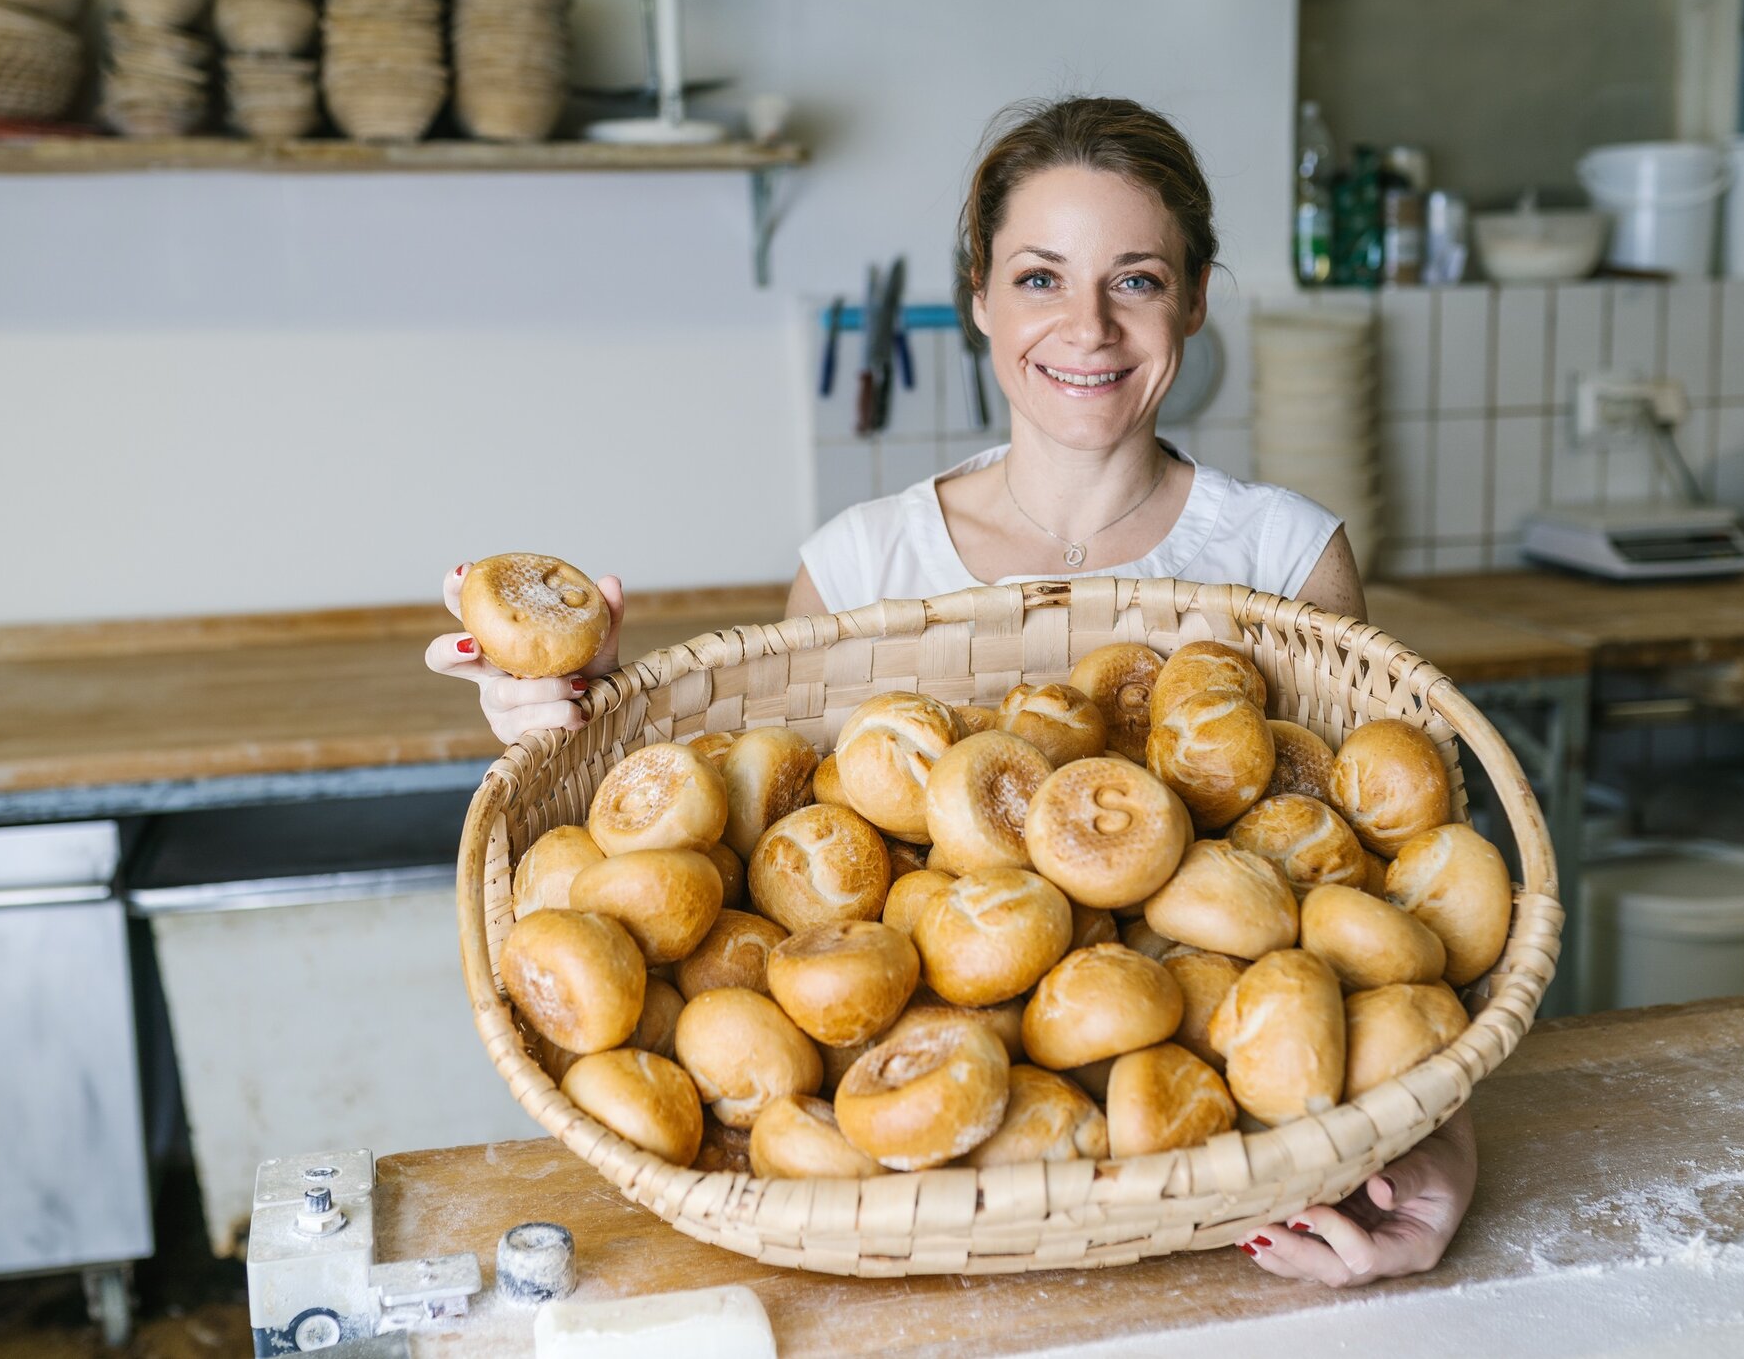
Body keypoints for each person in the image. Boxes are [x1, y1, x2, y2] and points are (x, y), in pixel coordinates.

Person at [427, 96, 1475, 1286]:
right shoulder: (861, 564)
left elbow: (1405, 908)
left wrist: (1439, 1153)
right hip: (910, 1252)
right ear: (977, 294)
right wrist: (570, 720)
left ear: (1192, 298)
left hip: (1230, 1241)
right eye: (1038, 279)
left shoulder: (1284, 556)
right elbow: (750, 855)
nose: (1087, 327)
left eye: (1134, 280)